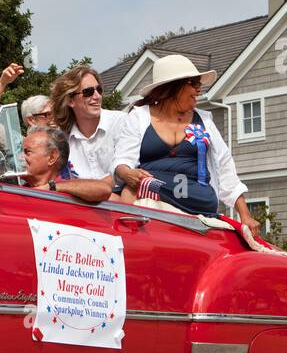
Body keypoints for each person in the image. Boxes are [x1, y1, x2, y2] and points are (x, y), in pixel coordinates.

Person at [112, 55, 259, 236]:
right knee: (133, 185)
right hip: (156, 187)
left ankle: (128, 234)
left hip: (197, 196)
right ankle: (128, 238)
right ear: (174, 87)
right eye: (194, 84)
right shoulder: (139, 117)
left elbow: (225, 166)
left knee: (132, 188)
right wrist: (127, 173)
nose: (199, 90)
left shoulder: (205, 121)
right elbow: (122, 160)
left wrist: (245, 215)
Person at [51, 64, 127, 187]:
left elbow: (128, 169)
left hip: (120, 201)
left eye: (99, 90)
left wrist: (89, 190)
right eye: (88, 92)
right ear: (70, 100)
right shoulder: (60, 139)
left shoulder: (120, 122)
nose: (97, 96)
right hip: (78, 203)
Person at [21, 126, 112, 203]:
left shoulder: (70, 189)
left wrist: (51, 187)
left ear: (52, 158)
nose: (19, 157)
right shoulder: (16, 191)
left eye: (27, 152)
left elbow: (104, 189)